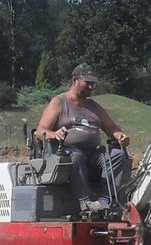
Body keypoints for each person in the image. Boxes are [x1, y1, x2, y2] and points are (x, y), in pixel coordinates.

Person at [35, 64, 130, 215]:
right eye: (88, 83)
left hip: (93, 153)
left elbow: (112, 128)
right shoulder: (59, 102)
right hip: (67, 152)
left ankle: (107, 199)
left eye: (93, 84)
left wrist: (120, 136)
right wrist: (54, 134)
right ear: (75, 80)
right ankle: (85, 202)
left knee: (118, 155)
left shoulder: (94, 107)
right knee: (77, 156)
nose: (91, 87)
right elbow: (40, 131)